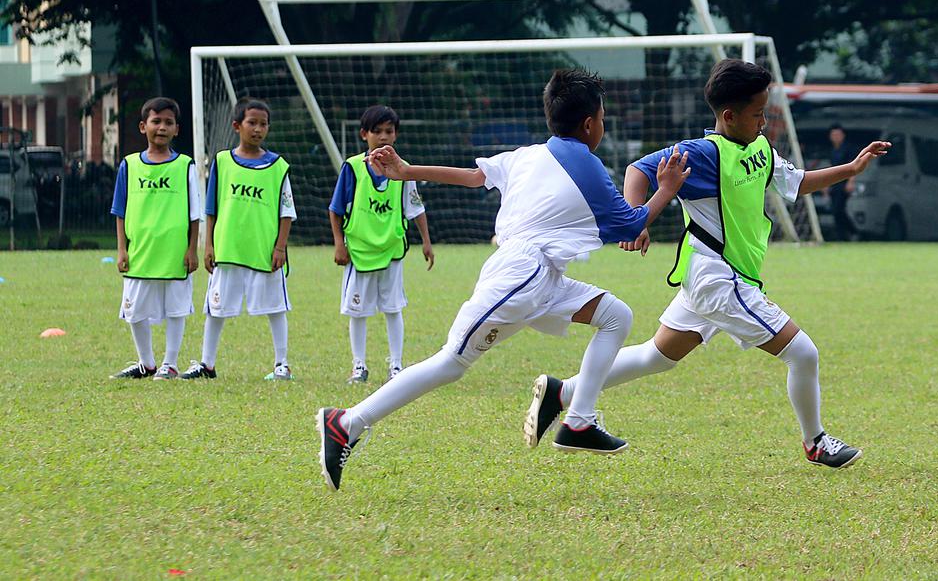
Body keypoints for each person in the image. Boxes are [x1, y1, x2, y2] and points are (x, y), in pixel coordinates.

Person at [316, 69, 691, 491]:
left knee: (616, 316)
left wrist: (406, 170)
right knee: (451, 362)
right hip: (521, 275)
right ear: (590, 124)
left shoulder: (527, 153)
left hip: (543, 277)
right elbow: (630, 224)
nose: (602, 126)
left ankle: (580, 420)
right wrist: (668, 187)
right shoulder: (585, 162)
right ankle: (345, 423)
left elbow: (475, 177)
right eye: (603, 118)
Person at [526, 59, 891, 469]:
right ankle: (816, 442)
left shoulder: (759, 147)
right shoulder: (701, 153)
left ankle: (562, 394)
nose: (764, 120)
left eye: (766, 111)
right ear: (729, 115)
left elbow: (798, 182)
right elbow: (638, 169)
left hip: (720, 276)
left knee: (656, 356)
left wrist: (852, 167)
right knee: (803, 353)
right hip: (718, 278)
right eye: (758, 114)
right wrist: (635, 218)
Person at [181, 98, 296, 381]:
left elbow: (286, 211)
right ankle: (207, 364)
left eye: (263, 124)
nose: (258, 129)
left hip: (263, 250)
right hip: (228, 249)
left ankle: (282, 364)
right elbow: (212, 207)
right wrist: (208, 244)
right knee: (216, 308)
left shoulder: (278, 166)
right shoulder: (222, 160)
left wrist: (280, 246)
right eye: (252, 123)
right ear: (237, 126)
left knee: (275, 307)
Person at [329, 104, 434, 384]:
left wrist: (426, 241)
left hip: (391, 250)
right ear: (365, 134)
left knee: (392, 308)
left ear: (396, 135)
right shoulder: (352, 168)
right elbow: (336, 209)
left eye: (389, 131)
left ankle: (396, 366)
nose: (384, 137)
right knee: (358, 310)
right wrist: (339, 244)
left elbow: (415, 208)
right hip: (359, 252)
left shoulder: (403, 170)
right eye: (378, 132)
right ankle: (359, 366)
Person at [109, 97, 201, 380]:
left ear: (176, 129)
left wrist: (192, 249)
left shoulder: (185, 166)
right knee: (134, 310)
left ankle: (170, 363)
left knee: (176, 309)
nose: (161, 127)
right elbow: (120, 211)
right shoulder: (129, 165)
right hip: (140, 251)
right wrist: (122, 249)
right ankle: (146, 363)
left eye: (168, 122)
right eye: (156, 121)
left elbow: (194, 213)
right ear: (142, 126)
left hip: (174, 251)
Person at [827, 123, 859, 241]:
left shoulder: (848, 149)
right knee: (835, 210)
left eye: (837, 134)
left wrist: (851, 182)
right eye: (833, 135)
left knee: (838, 209)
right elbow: (831, 167)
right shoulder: (832, 150)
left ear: (843, 136)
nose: (835, 137)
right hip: (834, 183)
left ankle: (853, 231)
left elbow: (853, 166)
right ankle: (842, 236)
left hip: (844, 183)